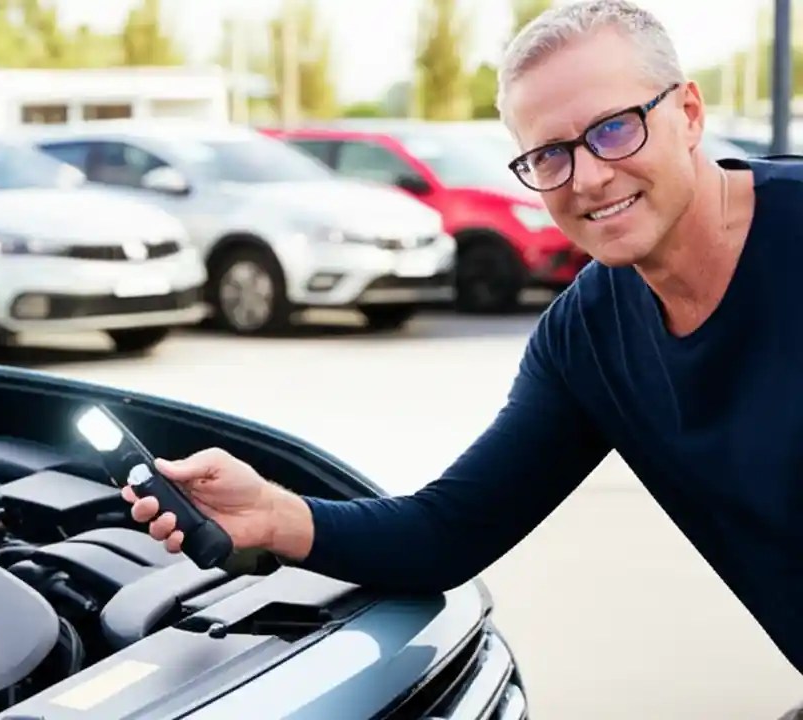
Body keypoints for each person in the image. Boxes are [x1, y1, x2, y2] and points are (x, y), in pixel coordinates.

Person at [121, 0, 803, 705]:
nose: (590, 177)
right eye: (550, 154)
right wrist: (272, 515)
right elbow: (449, 532)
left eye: (614, 128)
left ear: (688, 112)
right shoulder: (586, 338)